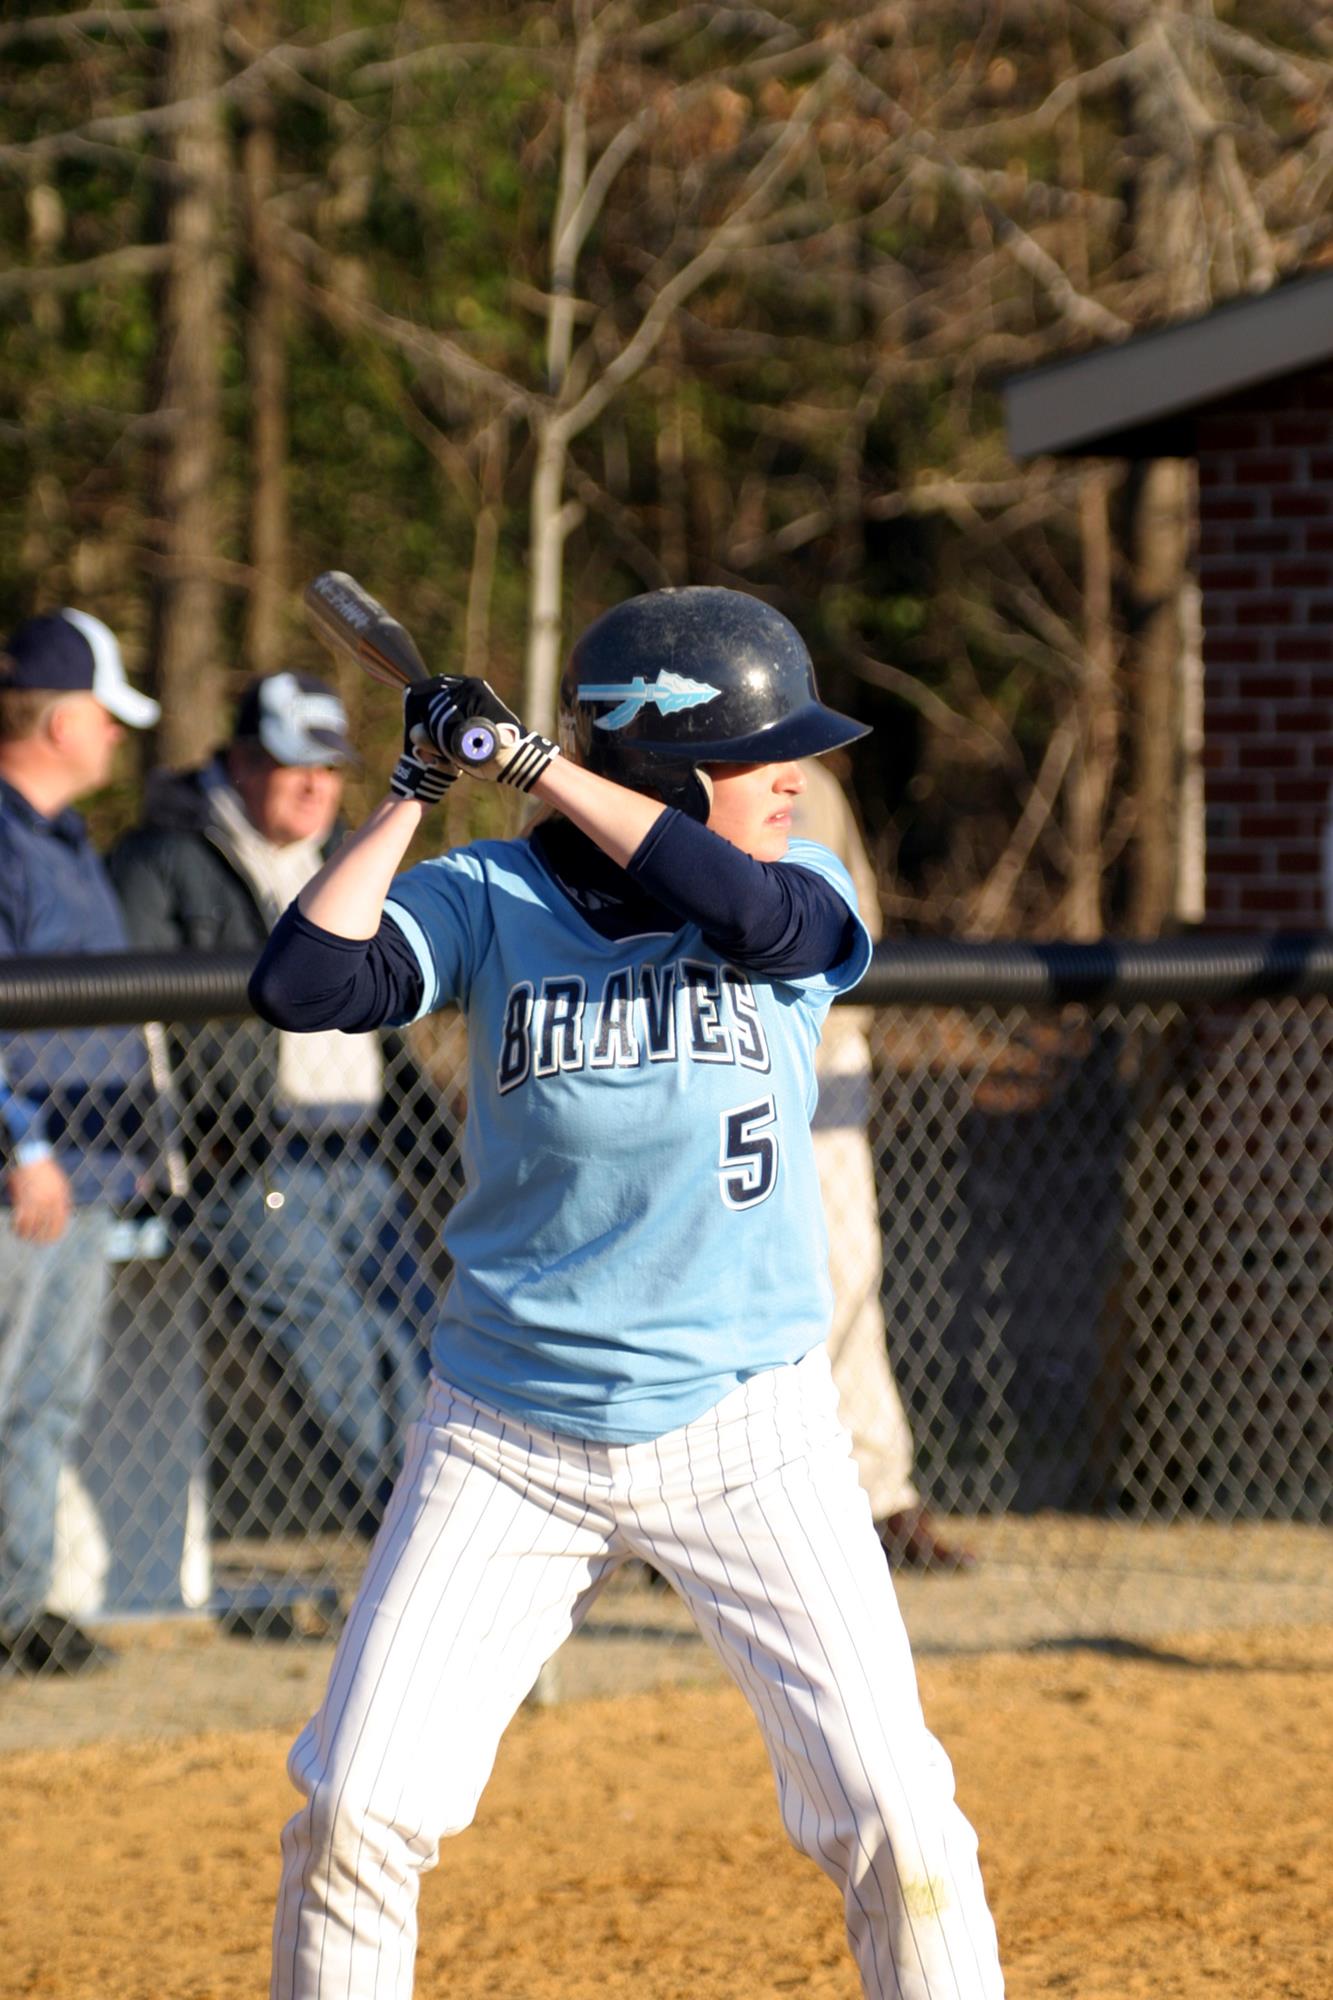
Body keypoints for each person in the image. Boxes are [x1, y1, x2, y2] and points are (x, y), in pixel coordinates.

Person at [251, 587, 1005, 2000]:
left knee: (898, 1818)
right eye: (760, 752)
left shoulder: (800, 885)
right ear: (668, 762)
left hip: (751, 1433)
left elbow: (751, 917)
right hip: (507, 1435)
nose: (795, 778)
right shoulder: (494, 898)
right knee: (353, 1807)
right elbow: (304, 982)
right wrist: (417, 786)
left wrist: (538, 765)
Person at [107, 671, 431, 1534]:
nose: (316, 787)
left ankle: (427, 1525)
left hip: (360, 1156)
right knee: (339, 1366)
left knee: (420, 1350)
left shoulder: (341, 858)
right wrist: (165, 1147)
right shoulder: (166, 858)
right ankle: (410, 1535)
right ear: (243, 762)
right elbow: (124, 1024)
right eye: (295, 766)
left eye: (329, 768)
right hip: (245, 1160)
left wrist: (429, 1134)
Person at [0, 607, 160, 1678]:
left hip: (85, 1171)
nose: (115, 737)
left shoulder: (60, 838)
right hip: (28, 1177)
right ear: (60, 721)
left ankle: (16, 1608)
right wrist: (23, 1143)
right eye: (106, 716)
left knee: (47, 1400)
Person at [793, 757, 976, 1573]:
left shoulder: (808, 782)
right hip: (679, 1069)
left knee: (844, 1269)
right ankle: (671, 1522)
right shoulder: (630, 768)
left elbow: (850, 924)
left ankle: (875, 1495)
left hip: (816, 1059)